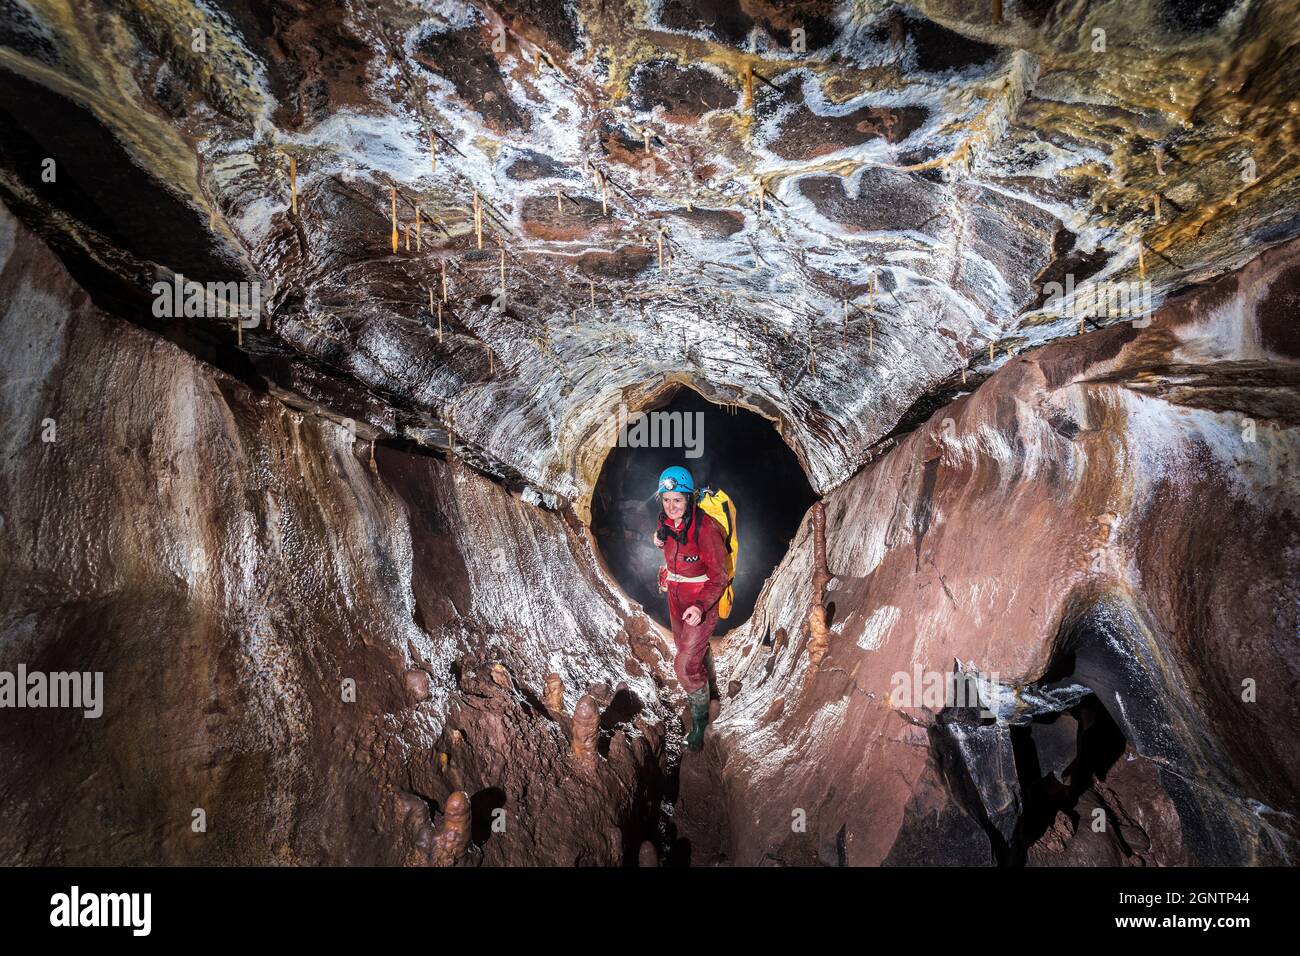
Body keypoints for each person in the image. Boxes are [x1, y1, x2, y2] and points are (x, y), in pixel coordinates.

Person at [651, 466, 728, 751]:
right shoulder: (666, 522)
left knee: (683, 666)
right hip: (676, 600)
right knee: (692, 650)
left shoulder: (705, 528)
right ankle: (712, 693)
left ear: (689, 499)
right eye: (666, 499)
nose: (671, 506)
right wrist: (657, 541)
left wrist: (700, 606)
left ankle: (700, 722)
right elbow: (676, 555)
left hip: (700, 603)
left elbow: (718, 577)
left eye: (677, 500)